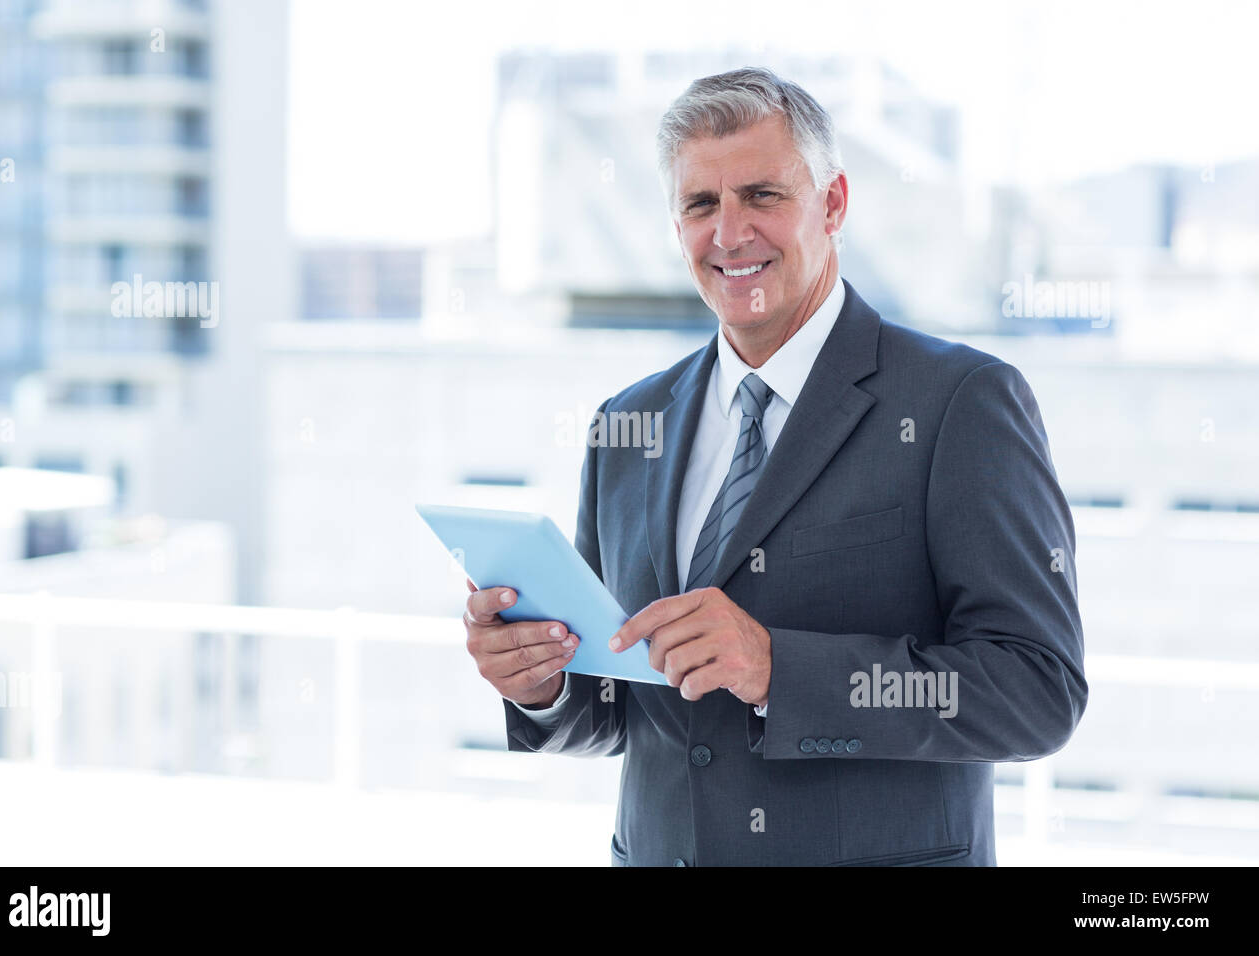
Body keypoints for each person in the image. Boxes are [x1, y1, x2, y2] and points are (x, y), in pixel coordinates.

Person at [463, 67, 1086, 866]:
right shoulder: (628, 424)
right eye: (699, 205)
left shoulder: (959, 403)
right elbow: (620, 705)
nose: (728, 234)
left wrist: (777, 669)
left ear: (832, 204)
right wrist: (540, 681)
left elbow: (1038, 692)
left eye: (761, 195)